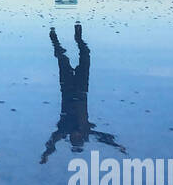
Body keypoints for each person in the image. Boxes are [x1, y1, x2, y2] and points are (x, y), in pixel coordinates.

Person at [40, 24, 125, 164]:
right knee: (86, 56)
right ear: (81, 138)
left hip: (67, 89)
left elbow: (53, 141)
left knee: (62, 59)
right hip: (81, 89)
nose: (76, 136)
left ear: (72, 138)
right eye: (78, 138)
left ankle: (54, 39)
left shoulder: (64, 129)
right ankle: (78, 39)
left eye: (75, 138)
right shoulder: (85, 129)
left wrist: (46, 154)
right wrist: (117, 146)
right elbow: (103, 137)